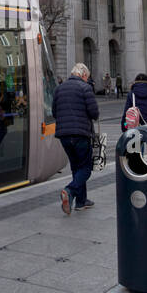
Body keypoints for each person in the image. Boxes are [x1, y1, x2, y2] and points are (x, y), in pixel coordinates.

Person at [53, 62, 100, 213]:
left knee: (76, 168)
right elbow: (94, 113)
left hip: (64, 135)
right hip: (81, 134)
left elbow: (54, 112)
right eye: (87, 77)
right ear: (84, 75)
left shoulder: (59, 89)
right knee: (85, 168)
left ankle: (80, 201)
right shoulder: (85, 88)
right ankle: (70, 190)